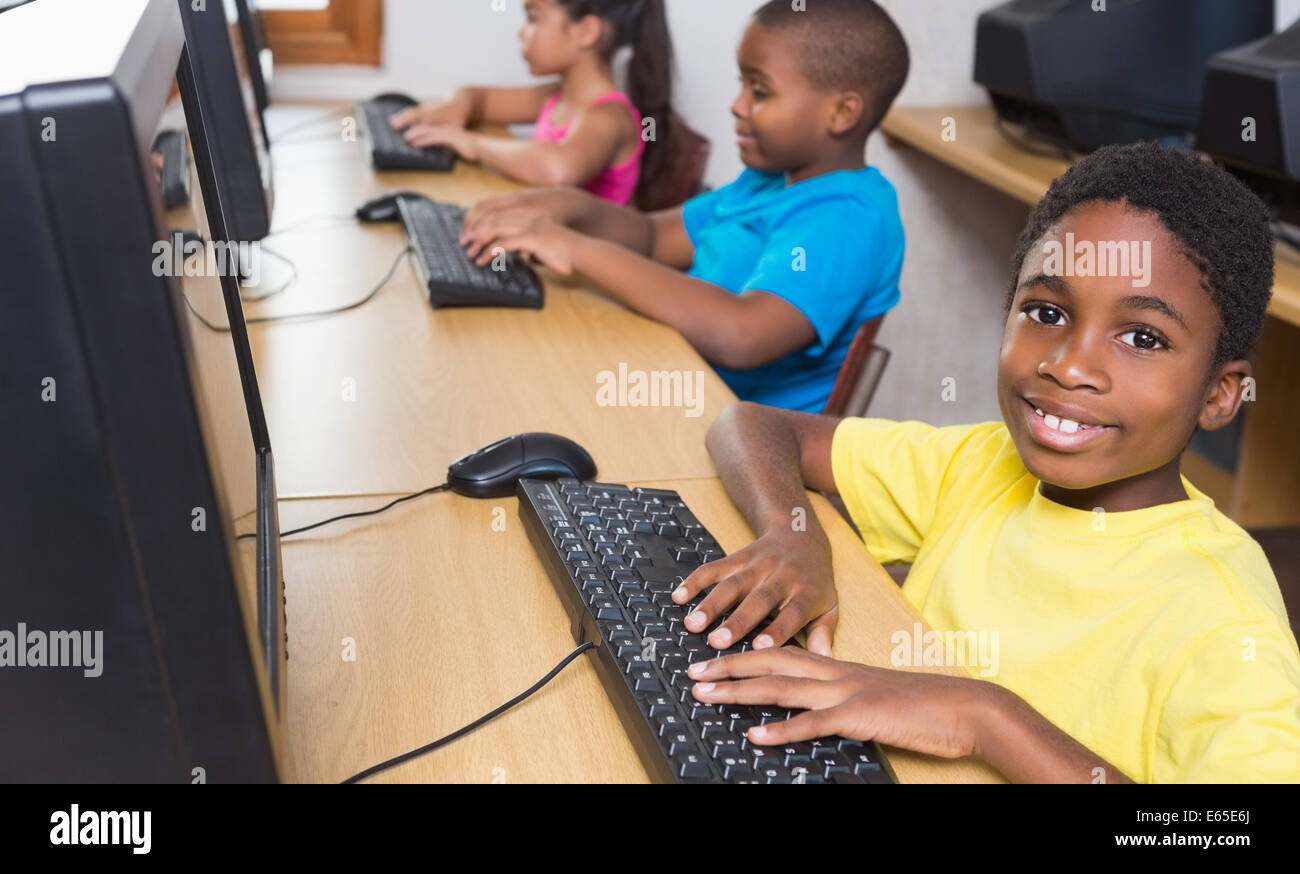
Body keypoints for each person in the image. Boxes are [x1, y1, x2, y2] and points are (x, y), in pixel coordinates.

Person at [678, 142, 1300, 782]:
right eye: (1047, 312)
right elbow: (752, 424)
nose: (1068, 364)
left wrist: (983, 718)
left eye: (1143, 337)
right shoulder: (980, 464)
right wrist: (791, 533)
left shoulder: (1225, 624)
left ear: (1220, 394)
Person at [460, 0, 910, 414]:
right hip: (674, 391)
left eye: (760, 90)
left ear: (842, 113)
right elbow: (654, 238)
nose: (737, 105)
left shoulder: (846, 218)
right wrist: (567, 205)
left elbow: (741, 334)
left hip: (727, 444)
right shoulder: (768, 182)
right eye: (742, 85)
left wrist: (576, 249)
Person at [392, 0, 673, 207]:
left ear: (586, 32)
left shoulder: (611, 117)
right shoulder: (557, 95)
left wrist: (471, 144)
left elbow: (557, 169)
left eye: (533, 18)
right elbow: (482, 98)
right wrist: (456, 108)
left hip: (576, 285)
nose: (521, 33)